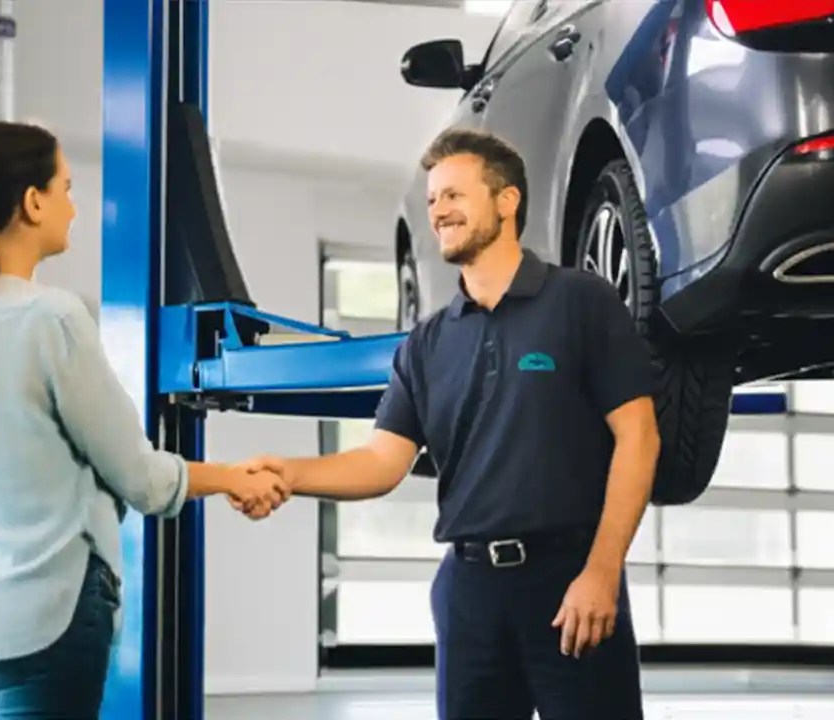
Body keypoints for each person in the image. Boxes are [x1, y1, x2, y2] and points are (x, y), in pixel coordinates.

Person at [238, 128, 660, 719]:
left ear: (507, 201)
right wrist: (291, 471)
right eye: (433, 199)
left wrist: (603, 571)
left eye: (454, 195)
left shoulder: (581, 303)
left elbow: (639, 435)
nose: (438, 211)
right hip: (469, 591)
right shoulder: (427, 342)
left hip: (571, 581)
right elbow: (382, 462)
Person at [0, 121, 289, 720]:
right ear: (33, 203)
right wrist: (236, 477)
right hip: (39, 619)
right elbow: (140, 476)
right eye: (66, 187)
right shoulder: (50, 318)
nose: (74, 208)